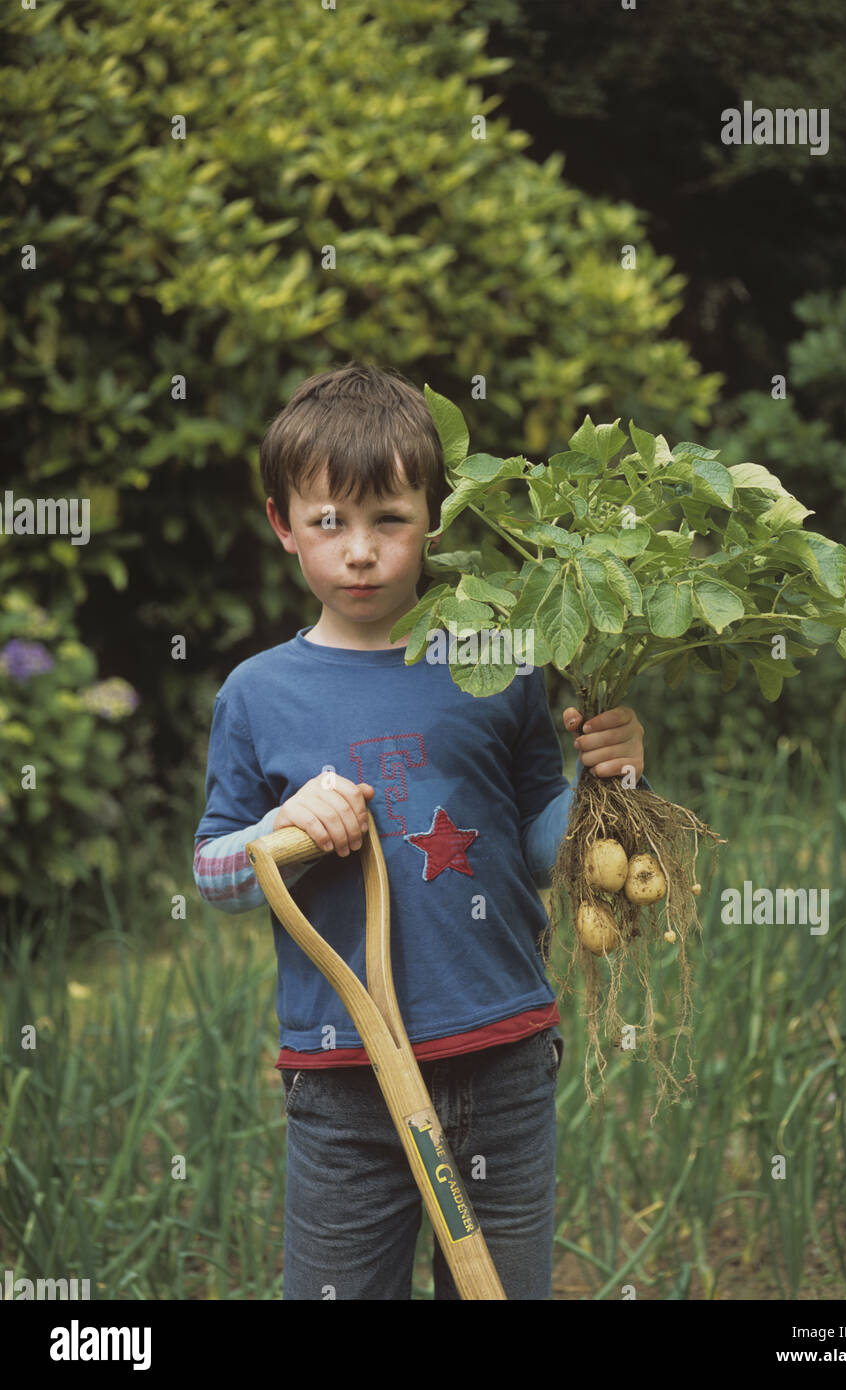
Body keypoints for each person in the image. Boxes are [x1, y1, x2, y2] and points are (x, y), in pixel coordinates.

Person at [193, 361, 650, 1300]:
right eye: (330, 522)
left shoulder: (494, 661)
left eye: (390, 520)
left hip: (503, 1057)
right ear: (283, 523)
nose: (360, 552)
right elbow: (216, 873)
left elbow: (540, 840)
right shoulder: (256, 694)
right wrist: (281, 825)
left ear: (433, 521)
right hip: (343, 1082)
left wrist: (612, 783)